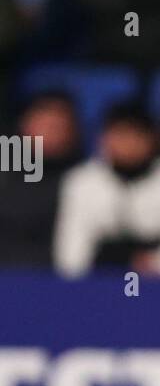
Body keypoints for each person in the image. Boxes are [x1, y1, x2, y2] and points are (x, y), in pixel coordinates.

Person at [53, 101, 160, 277]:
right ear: (103, 139)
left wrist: (147, 263)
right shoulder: (81, 183)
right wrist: (117, 259)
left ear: (153, 138)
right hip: (98, 292)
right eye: (120, 134)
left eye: (136, 135)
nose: (128, 144)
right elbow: (70, 261)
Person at [0, 89, 81, 265]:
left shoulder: (85, 182)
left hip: (57, 281)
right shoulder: (5, 172)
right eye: (46, 125)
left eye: (60, 127)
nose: (53, 133)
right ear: (25, 125)